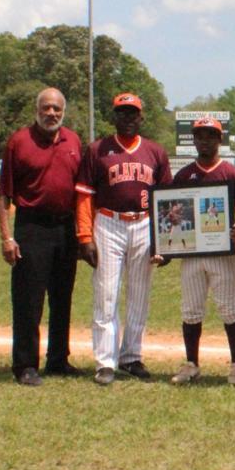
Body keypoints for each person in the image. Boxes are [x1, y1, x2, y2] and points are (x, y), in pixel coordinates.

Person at [75, 92, 172, 385]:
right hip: (108, 222)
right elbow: (83, 196)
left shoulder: (155, 152)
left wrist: (163, 239)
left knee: (139, 295)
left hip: (143, 223)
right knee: (106, 294)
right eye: (122, 113)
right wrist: (84, 235)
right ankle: (105, 362)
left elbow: (166, 201)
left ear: (141, 117)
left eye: (133, 113)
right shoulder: (96, 150)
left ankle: (131, 356)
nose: (128, 118)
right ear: (114, 116)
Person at [0, 87, 83, 385]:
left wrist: (83, 234)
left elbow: (82, 193)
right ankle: (25, 365)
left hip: (66, 228)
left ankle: (58, 360)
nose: (51, 113)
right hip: (31, 228)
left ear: (63, 111)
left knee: (62, 298)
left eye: (57, 109)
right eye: (46, 108)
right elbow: (3, 194)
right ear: (37, 110)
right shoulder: (19, 142)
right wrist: (7, 237)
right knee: (28, 300)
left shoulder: (73, 141)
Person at [160, 117, 235, 386]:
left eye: (211, 135)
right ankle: (192, 363)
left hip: (222, 252)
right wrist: (166, 243)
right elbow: (172, 211)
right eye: (200, 136)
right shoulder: (184, 175)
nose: (205, 140)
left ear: (220, 140)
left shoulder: (232, 174)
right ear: (194, 140)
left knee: (229, 306)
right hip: (192, 252)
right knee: (191, 309)